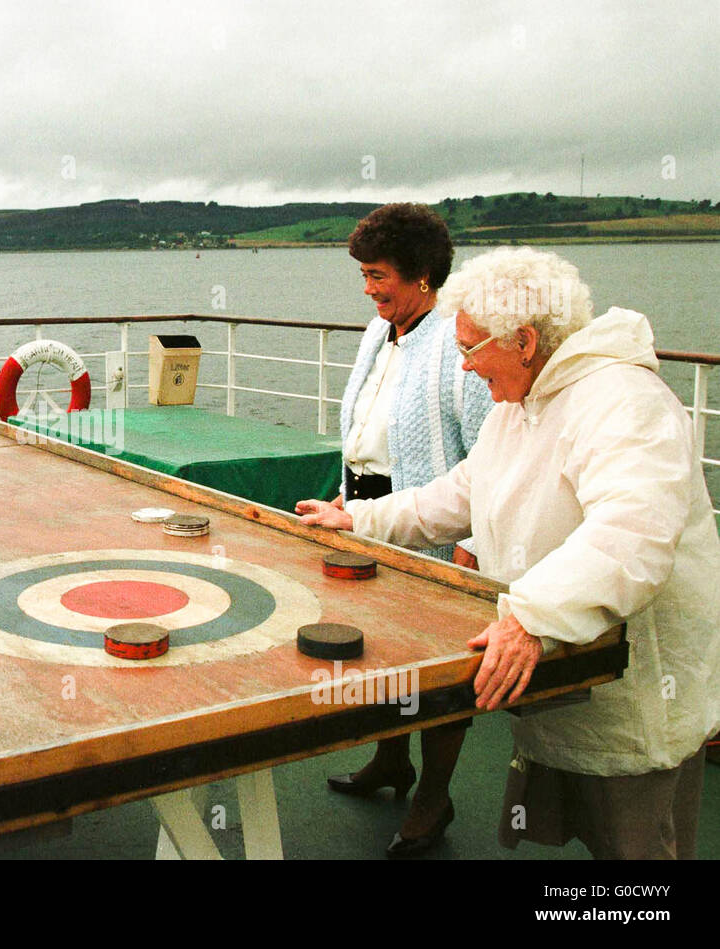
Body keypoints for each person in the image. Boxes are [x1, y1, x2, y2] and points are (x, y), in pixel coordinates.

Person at [297, 246, 720, 859]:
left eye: (470, 349)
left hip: (632, 693)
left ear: (523, 339)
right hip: (563, 678)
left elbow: (632, 537)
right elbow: (463, 492)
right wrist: (358, 517)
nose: (464, 368)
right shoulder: (523, 401)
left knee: (640, 854)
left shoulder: (622, 402)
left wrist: (531, 616)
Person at [326, 203, 493, 857]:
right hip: (366, 517)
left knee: (445, 672)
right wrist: (341, 494)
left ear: (422, 275)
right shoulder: (382, 330)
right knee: (387, 652)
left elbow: (487, 456)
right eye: (364, 274)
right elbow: (364, 428)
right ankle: (391, 762)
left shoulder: (461, 343)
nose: (368, 288)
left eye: (377, 275)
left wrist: (471, 546)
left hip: (437, 531)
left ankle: (434, 796)